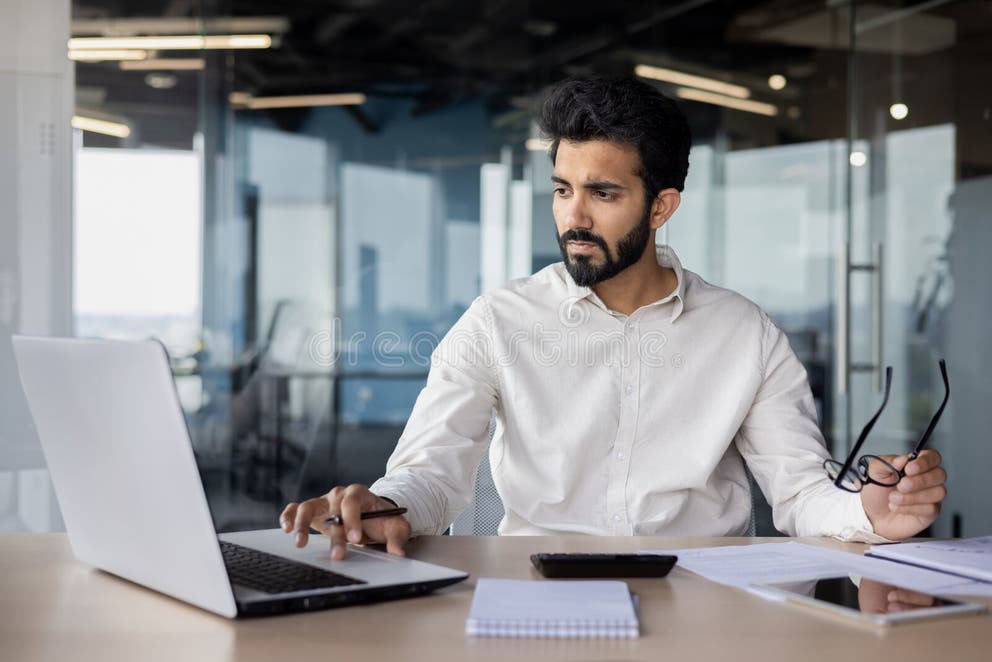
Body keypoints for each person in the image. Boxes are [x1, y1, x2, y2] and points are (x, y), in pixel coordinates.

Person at [281, 77, 947, 560]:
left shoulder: (744, 334)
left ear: (661, 207)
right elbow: (430, 477)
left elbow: (801, 496)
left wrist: (870, 510)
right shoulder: (497, 321)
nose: (573, 218)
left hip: (705, 603)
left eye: (603, 193)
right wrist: (384, 505)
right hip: (533, 598)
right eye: (563, 190)